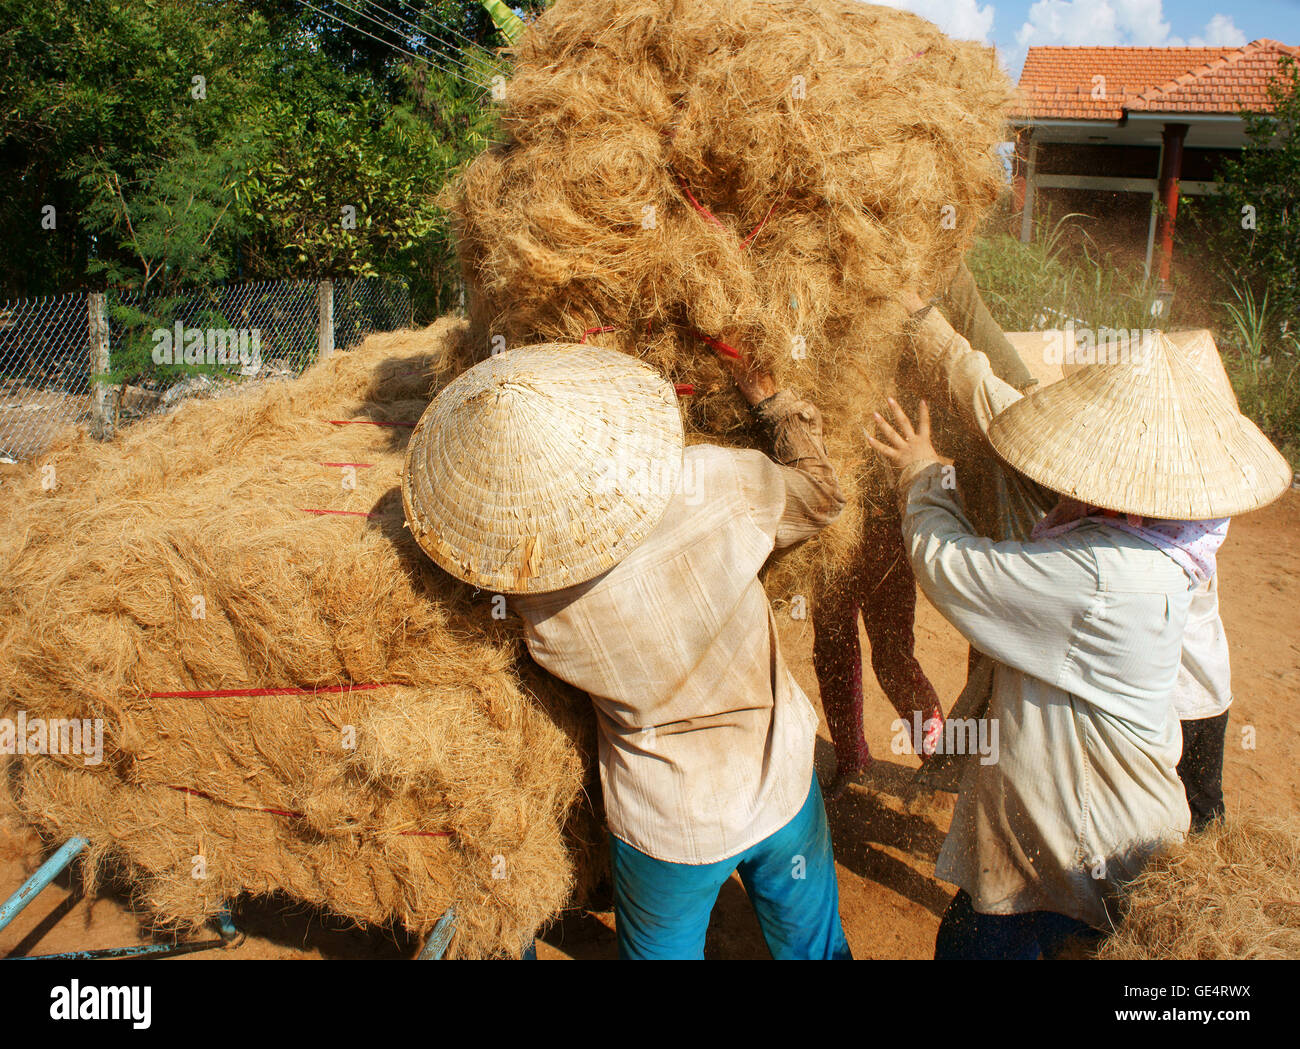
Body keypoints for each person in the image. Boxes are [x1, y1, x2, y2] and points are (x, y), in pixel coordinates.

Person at [866, 301, 1292, 960]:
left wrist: (923, 476)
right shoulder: (1162, 534)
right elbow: (999, 404)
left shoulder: (1103, 573)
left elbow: (951, 568)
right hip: (1081, 837)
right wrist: (946, 343)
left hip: (1084, 864)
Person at [402, 342, 853, 960]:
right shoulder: (716, 482)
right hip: (780, 782)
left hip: (666, 827)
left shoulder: (531, 597)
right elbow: (823, 496)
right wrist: (773, 401)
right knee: (815, 949)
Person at [813, 261, 1039, 795]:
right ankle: (852, 760)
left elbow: (999, 374)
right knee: (831, 640)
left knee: (893, 650)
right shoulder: (815, 268)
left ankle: (939, 763)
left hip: (899, 498)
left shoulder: (941, 268)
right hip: (823, 494)